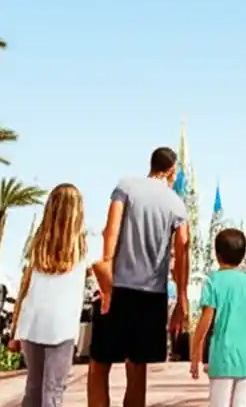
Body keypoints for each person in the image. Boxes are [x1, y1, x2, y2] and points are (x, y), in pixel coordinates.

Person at [88, 146, 191, 407]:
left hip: (117, 289)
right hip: (151, 296)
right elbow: (183, 247)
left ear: (151, 165)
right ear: (171, 171)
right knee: (137, 370)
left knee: (99, 366)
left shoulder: (127, 186)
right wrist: (181, 299)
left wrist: (108, 266)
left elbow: (110, 229)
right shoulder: (176, 204)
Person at [7, 183, 90, 407]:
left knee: (33, 389)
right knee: (52, 391)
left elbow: (24, 289)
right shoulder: (84, 248)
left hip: (31, 326)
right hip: (61, 330)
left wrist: (15, 330)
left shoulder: (37, 246)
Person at [190, 228, 246, 407]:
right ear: (243, 255)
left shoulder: (214, 281)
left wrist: (195, 350)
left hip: (222, 361)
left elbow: (206, 320)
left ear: (217, 254)